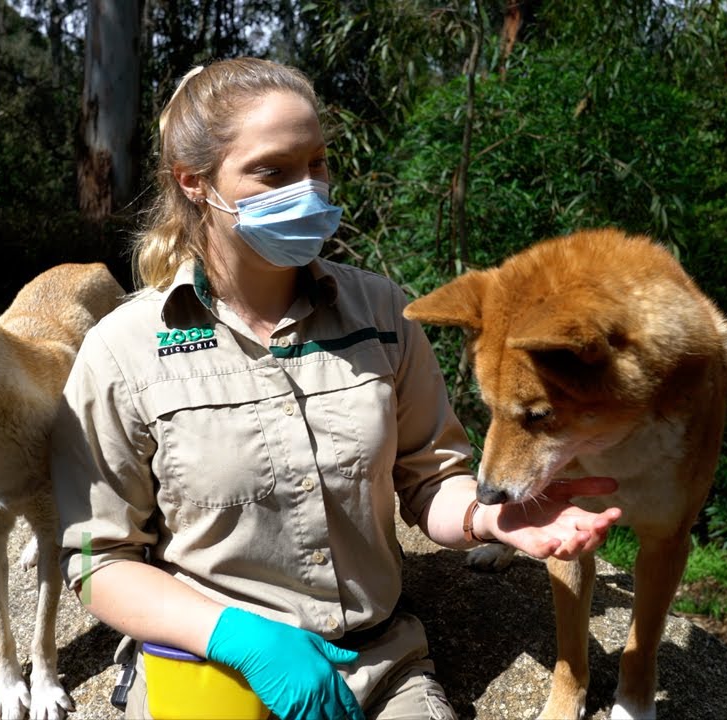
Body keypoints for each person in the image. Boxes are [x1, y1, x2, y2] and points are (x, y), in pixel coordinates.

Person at [50, 57, 622, 720]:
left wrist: (494, 515)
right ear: (195, 183)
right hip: (214, 677)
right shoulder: (123, 353)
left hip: (379, 669)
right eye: (274, 170)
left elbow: (429, 479)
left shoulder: (383, 315)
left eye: (317, 161)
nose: (309, 188)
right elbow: (96, 560)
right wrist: (236, 637)